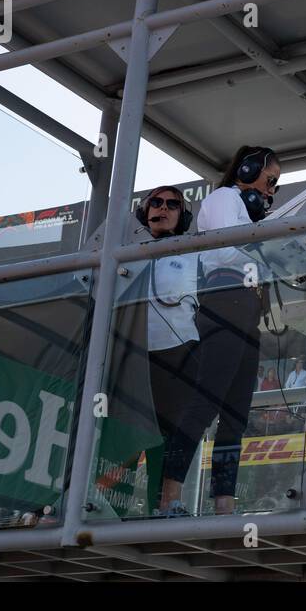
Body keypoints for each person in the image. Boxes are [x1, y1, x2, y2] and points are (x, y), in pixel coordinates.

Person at [175, 145, 282, 516]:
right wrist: (264, 247)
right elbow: (222, 252)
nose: (271, 190)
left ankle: (224, 503)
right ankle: (169, 497)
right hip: (224, 302)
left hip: (247, 312)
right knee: (205, 403)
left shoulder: (252, 220)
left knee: (235, 416)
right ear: (248, 169)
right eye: (270, 180)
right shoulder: (223, 198)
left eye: (276, 186)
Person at [130, 184, 199, 517]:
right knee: (125, 436)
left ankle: (164, 507)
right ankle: (108, 510)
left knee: (168, 438)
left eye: (173, 204)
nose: (163, 208)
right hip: (133, 357)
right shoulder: (127, 254)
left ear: (182, 216)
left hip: (180, 354)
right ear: (145, 212)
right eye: (155, 202)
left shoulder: (196, 252)